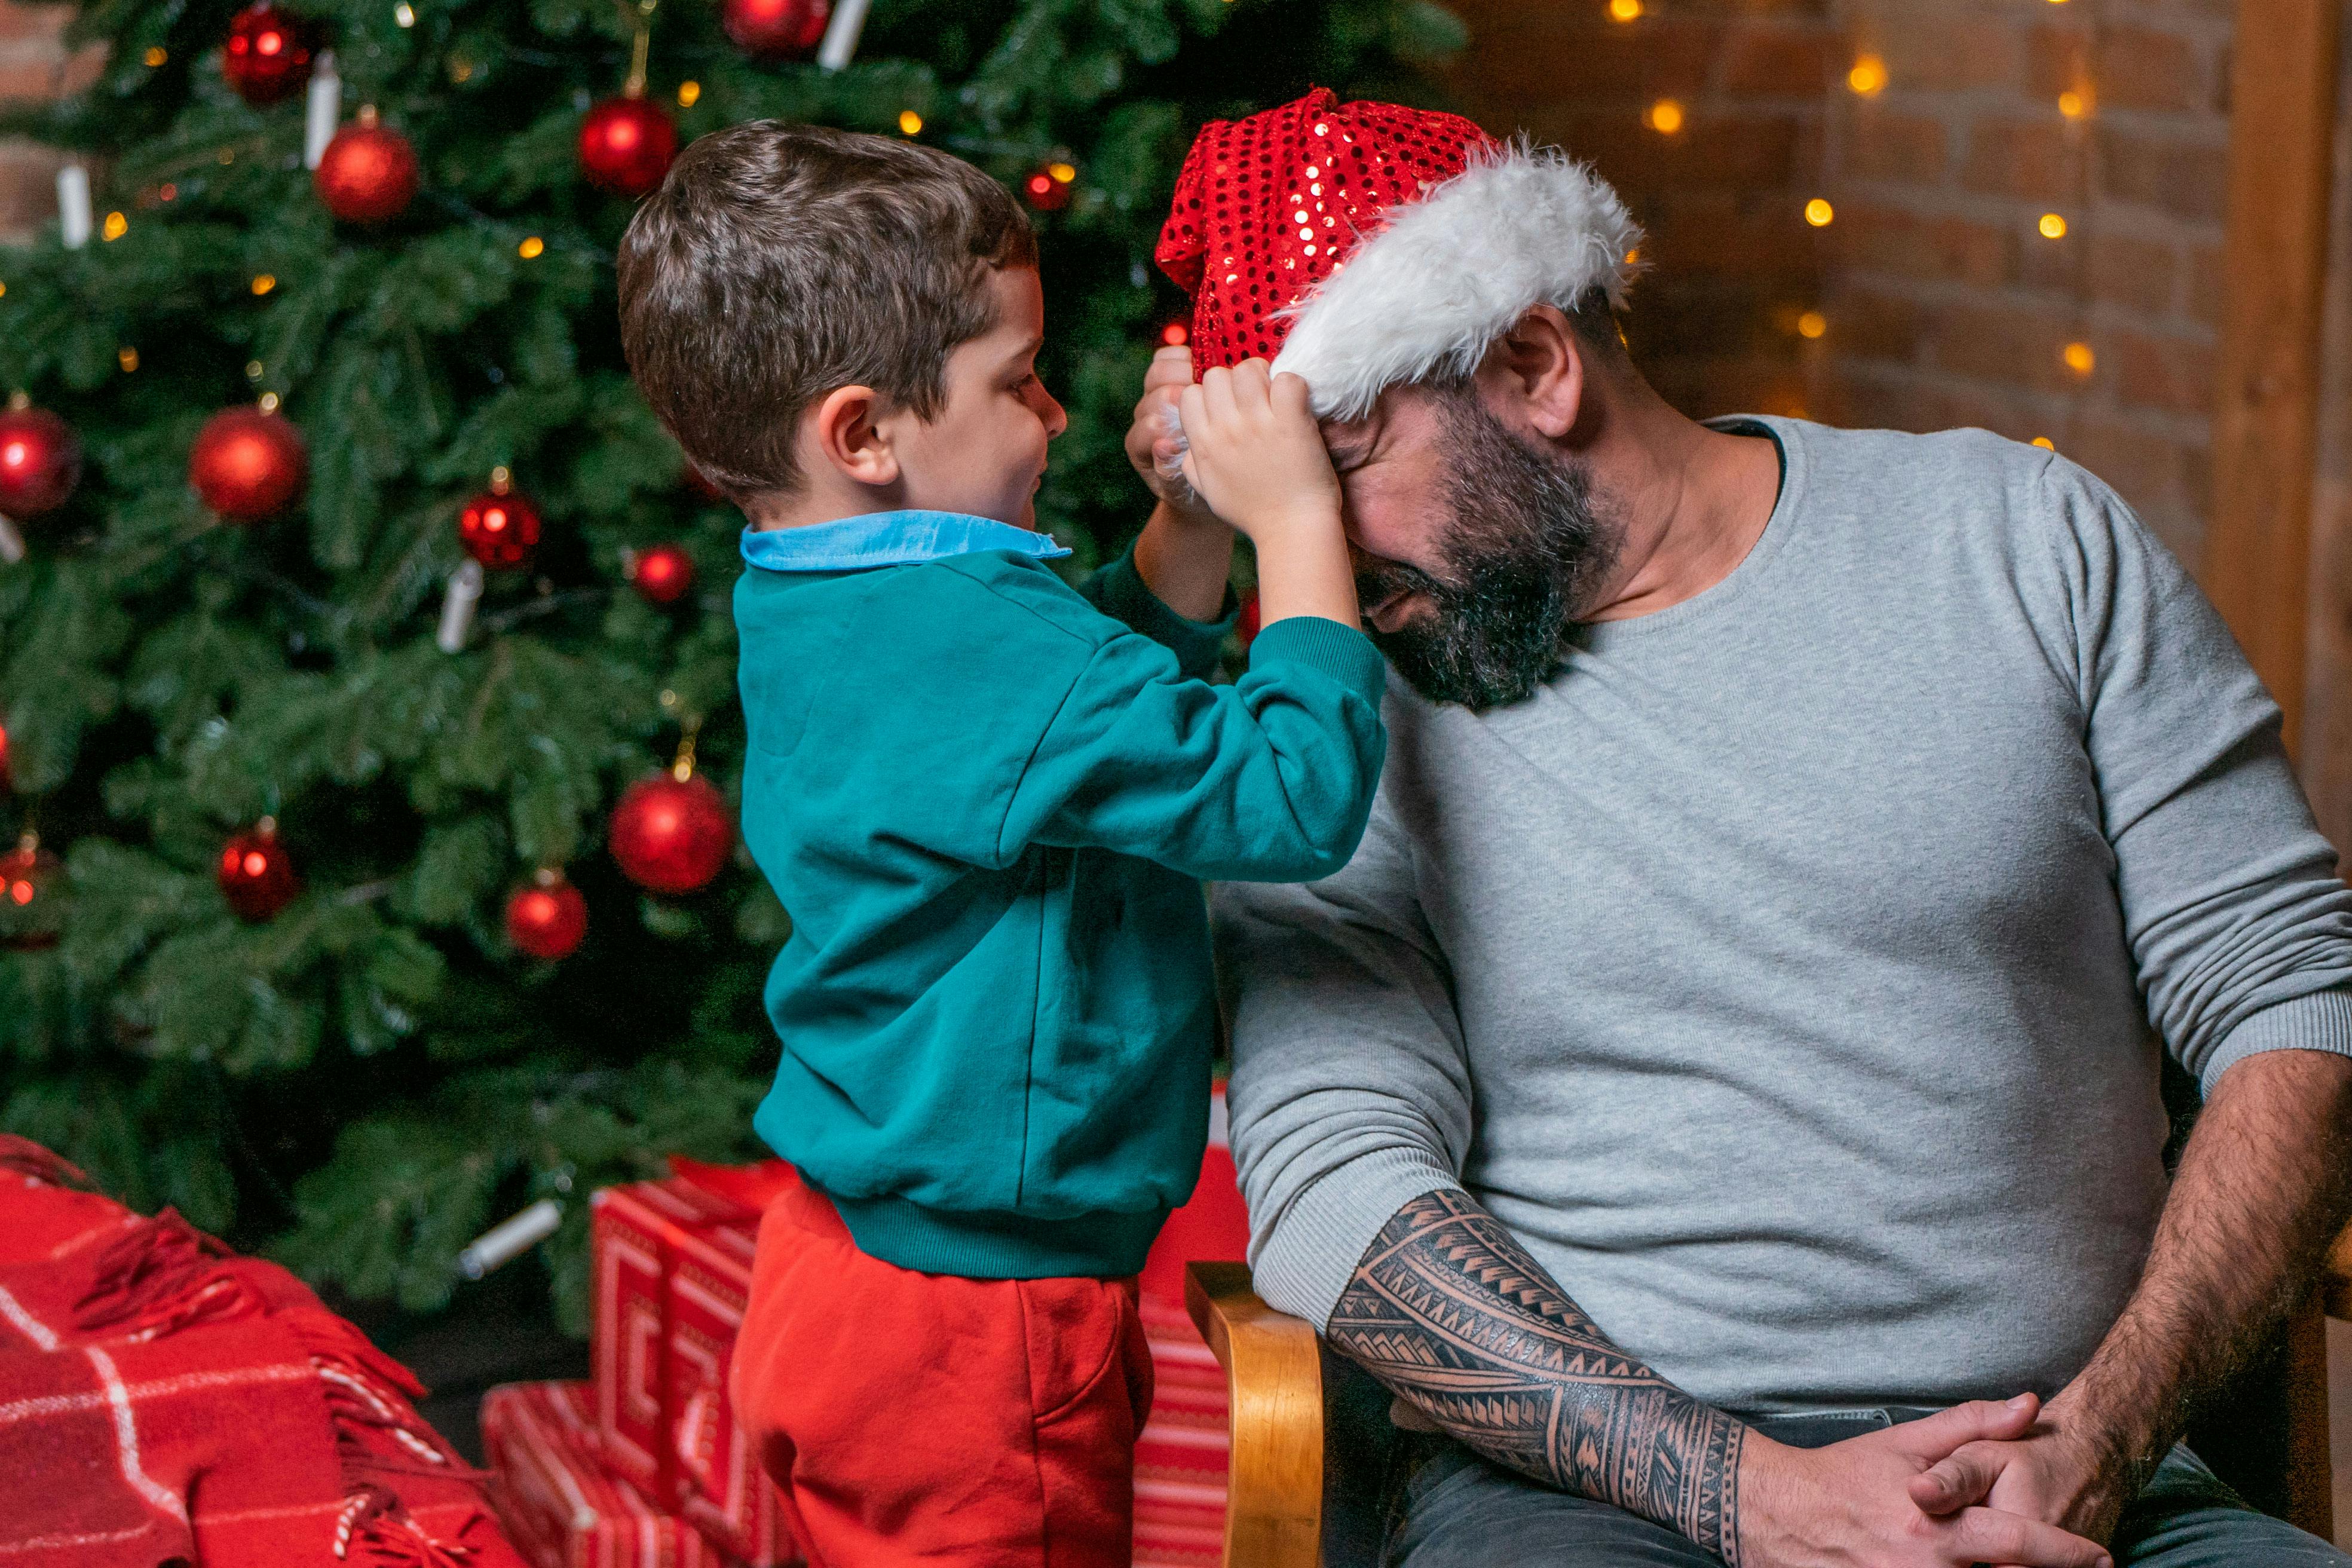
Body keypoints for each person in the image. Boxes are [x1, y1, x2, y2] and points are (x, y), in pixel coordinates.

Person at [1181, 91, 2352, 1568]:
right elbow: (1334, 1179)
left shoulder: (2021, 540)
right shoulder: (1335, 722)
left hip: (2071, 1470)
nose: (1315, 551)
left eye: (1338, 465)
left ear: (1537, 365)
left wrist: (2102, 1440)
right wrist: (1751, 1490)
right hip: (1597, 1500)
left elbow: (2289, 999)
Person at [614, 121, 1386, 1567]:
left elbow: (1071, 731)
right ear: (863, 433)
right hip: (978, 1335)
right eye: (1015, 380)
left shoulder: (835, 592)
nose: (1055, 415)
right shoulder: (982, 646)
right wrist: (1294, 523)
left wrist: (1183, 522)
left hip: (845, 1271)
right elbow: (1289, 794)